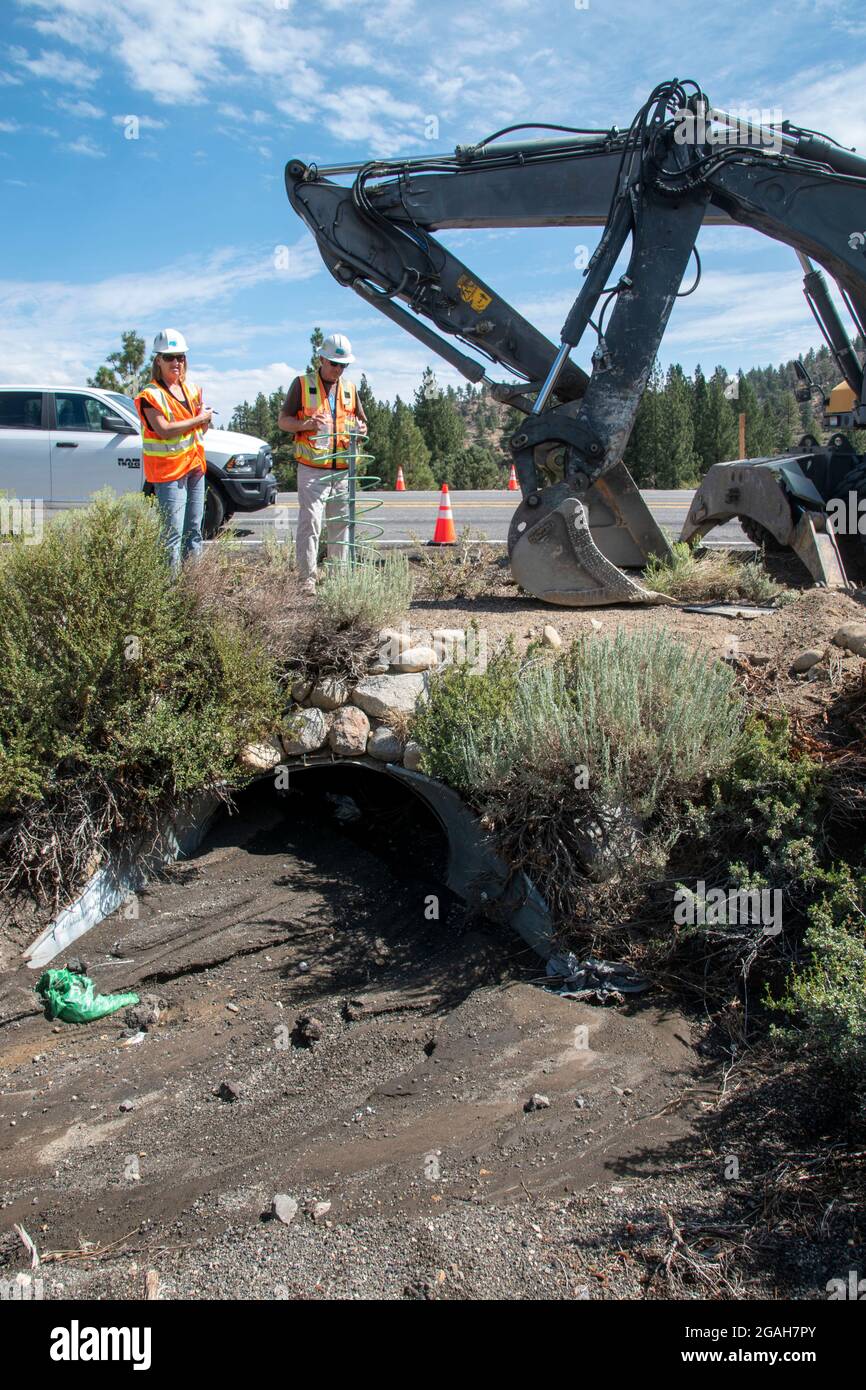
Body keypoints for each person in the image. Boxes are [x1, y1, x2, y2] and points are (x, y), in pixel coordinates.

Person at [278, 333, 367, 595]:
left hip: (342, 470)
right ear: (321, 359)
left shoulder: (350, 389)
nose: (338, 370)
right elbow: (283, 421)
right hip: (312, 469)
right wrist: (305, 424)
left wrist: (361, 428)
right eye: (333, 364)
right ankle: (307, 579)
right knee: (311, 523)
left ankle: (339, 579)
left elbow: (362, 422)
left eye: (343, 365)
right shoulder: (302, 385)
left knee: (340, 525)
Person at [135, 329, 212, 573]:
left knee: (194, 532)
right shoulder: (151, 395)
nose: (176, 362)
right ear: (158, 360)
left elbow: (201, 431)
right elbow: (164, 429)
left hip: (194, 467)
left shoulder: (192, 390)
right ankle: (170, 594)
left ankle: (194, 589)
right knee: (172, 536)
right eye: (169, 357)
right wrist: (198, 419)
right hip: (168, 472)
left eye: (180, 357)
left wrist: (204, 421)